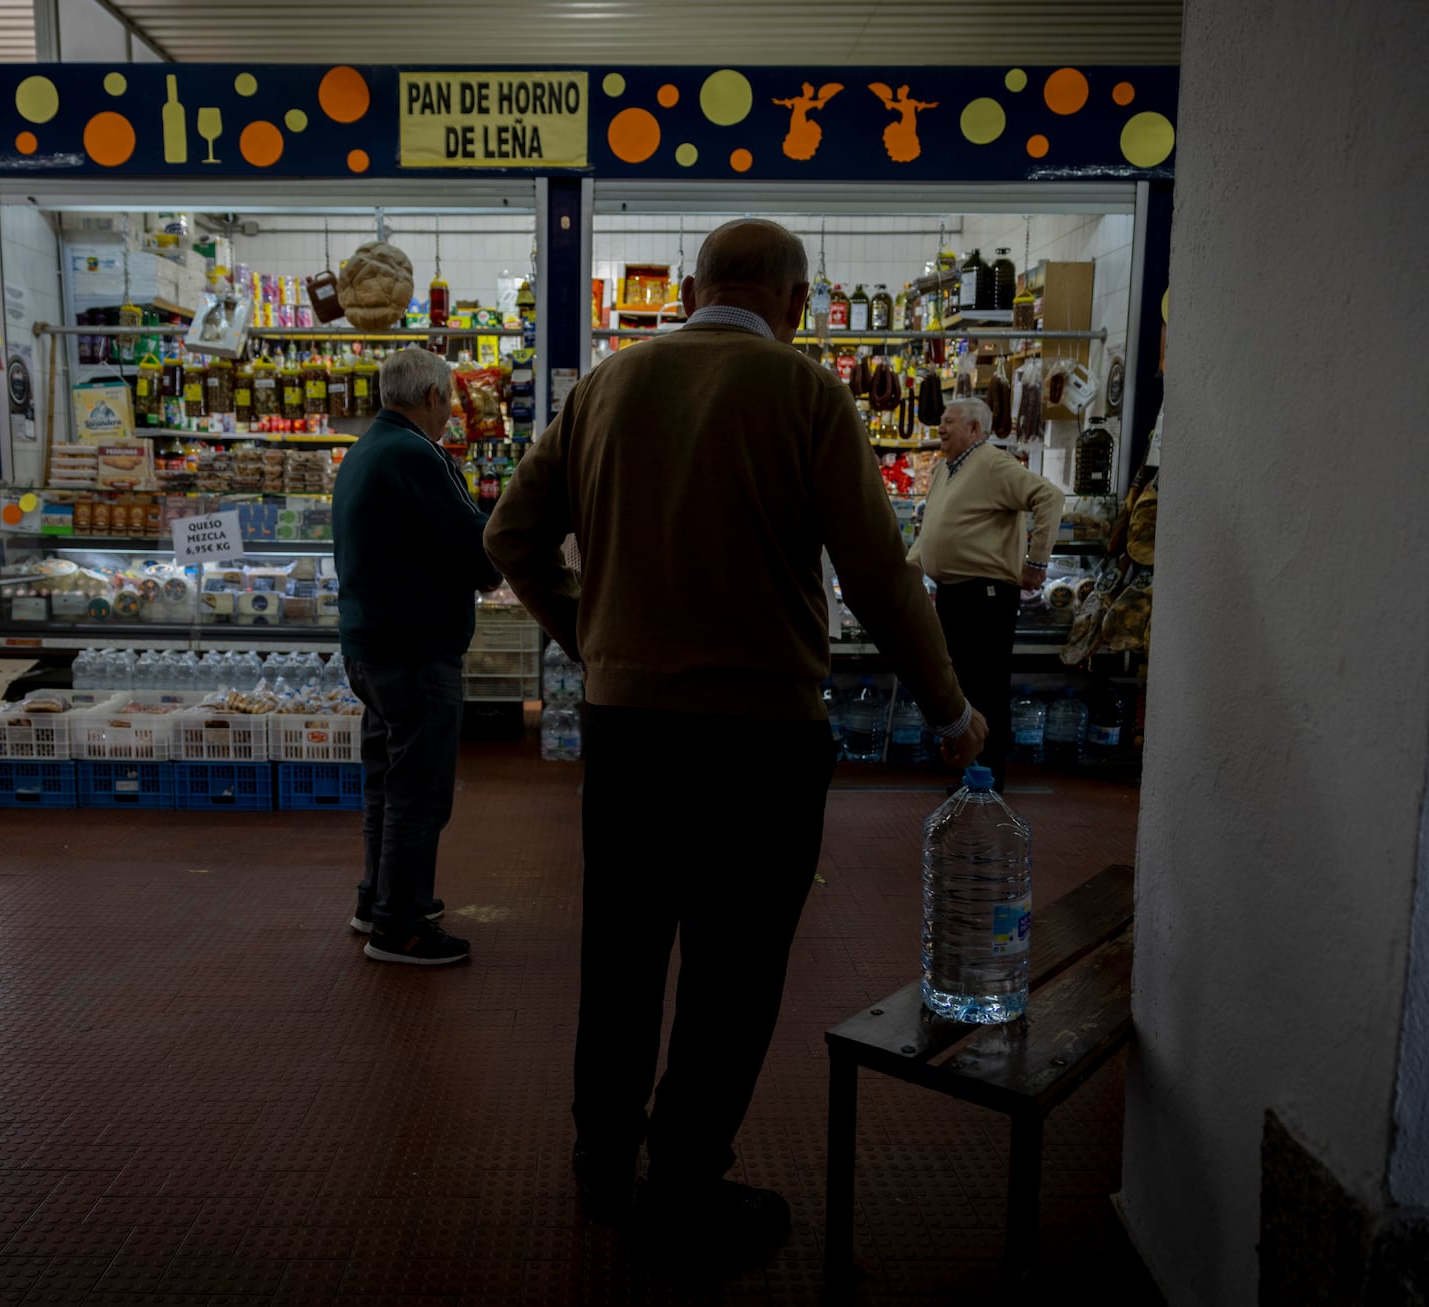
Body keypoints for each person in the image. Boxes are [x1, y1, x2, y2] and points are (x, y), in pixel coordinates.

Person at [484, 219, 987, 1260]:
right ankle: (682, 1178)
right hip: (760, 738)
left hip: (627, 731)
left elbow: (509, 536)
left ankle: (601, 1161)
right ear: (795, 304)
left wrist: (592, 635)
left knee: (619, 953)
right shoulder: (807, 393)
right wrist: (948, 707)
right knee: (732, 968)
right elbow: (878, 576)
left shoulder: (605, 388)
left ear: (691, 289)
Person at [331, 347, 501, 967]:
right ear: (431, 396)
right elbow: (474, 547)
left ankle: (379, 898)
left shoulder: (367, 447)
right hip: (413, 651)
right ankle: (399, 927)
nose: (452, 411)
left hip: (370, 647)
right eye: (450, 398)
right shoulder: (414, 453)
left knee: (384, 781)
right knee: (418, 791)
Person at [906, 396, 1063, 790]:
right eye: (940, 421)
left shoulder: (994, 463)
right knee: (959, 686)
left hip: (987, 595)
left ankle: (988, 777)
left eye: (949, 421)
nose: (940, 428)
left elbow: (1050, 498)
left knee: (985, 687)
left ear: (975, 429)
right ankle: (969, 772)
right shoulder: (945, 469)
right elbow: (930, 532)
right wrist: (906, 572)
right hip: (953, 594)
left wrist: (1037, 562)